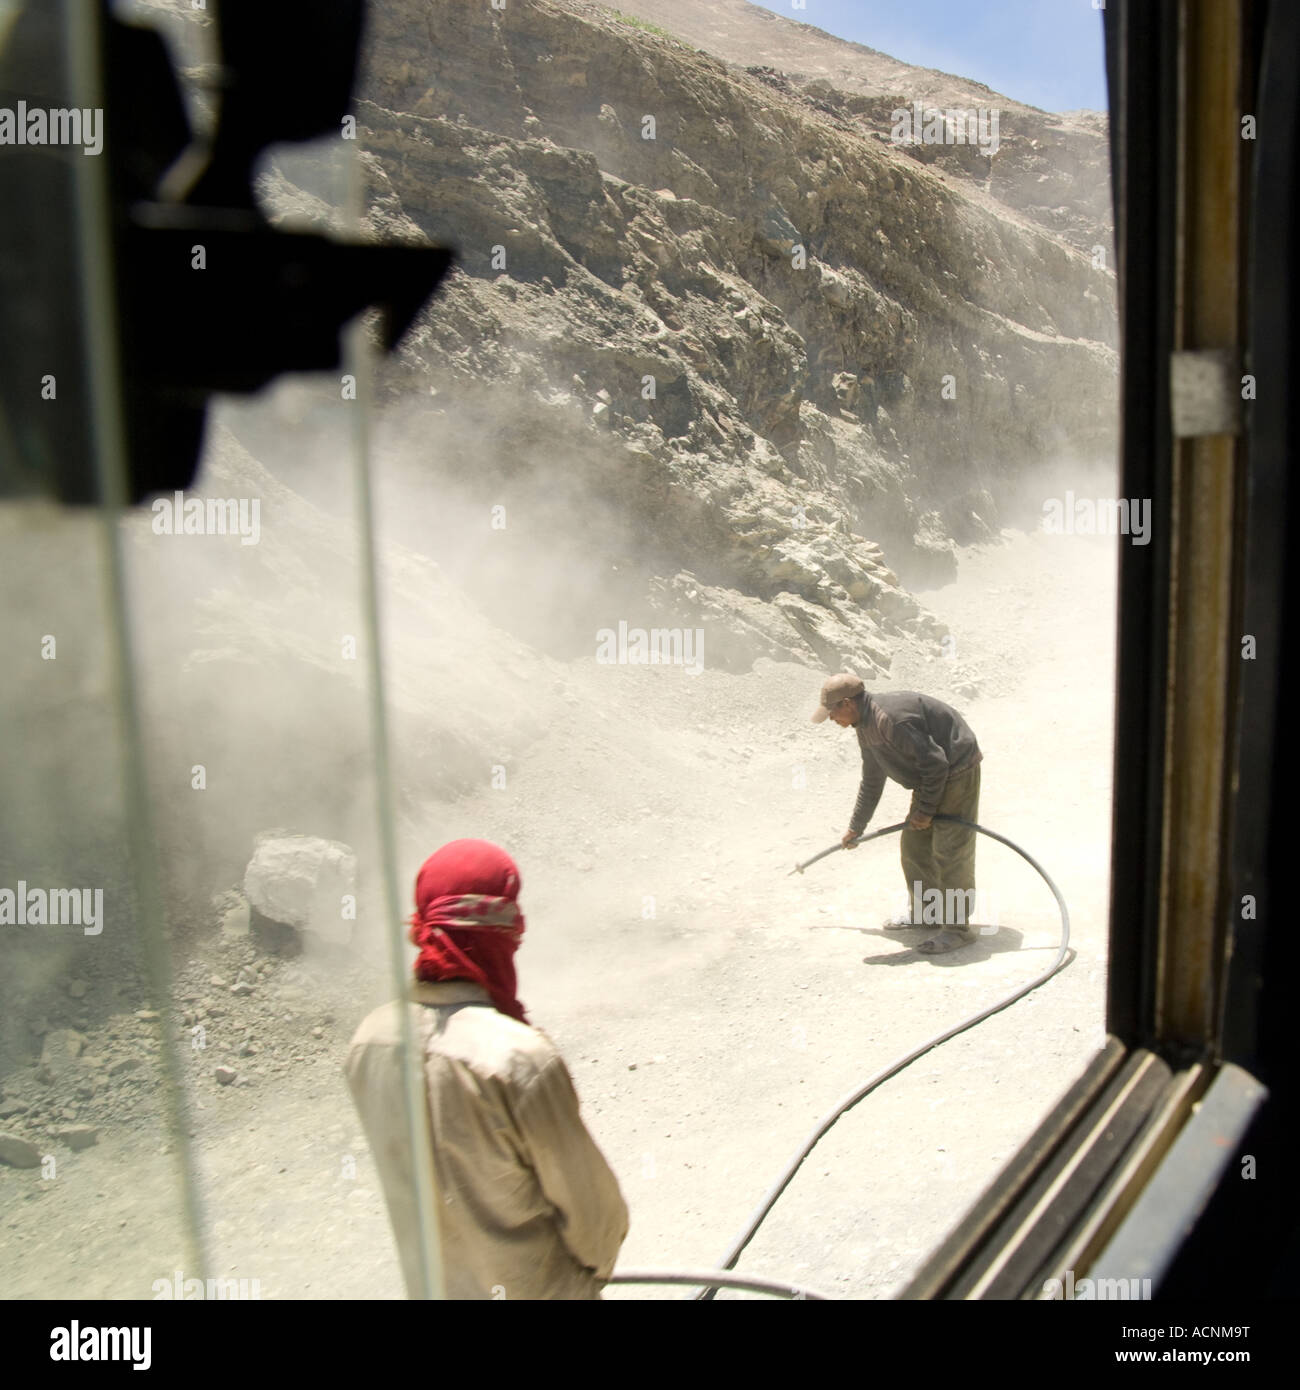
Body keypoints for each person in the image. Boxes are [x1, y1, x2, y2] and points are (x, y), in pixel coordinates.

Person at [344, 838, 628, 1298]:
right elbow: (596, 1214)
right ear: (504, 933)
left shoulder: (368, 1042)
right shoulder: (519, 1060)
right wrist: (582, 1283)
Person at [811, 673, 983, 954]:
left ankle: (957, 928)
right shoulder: (864, 724)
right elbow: (872, 777)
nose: (831, 719)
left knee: (950, 849)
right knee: (914, 848)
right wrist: (857, 826)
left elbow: (937, 764)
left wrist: (926, 810)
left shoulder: (890, 720)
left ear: (847, 703)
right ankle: (928, 914)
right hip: (930, 777)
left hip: (957, 768)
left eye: (832, 712)